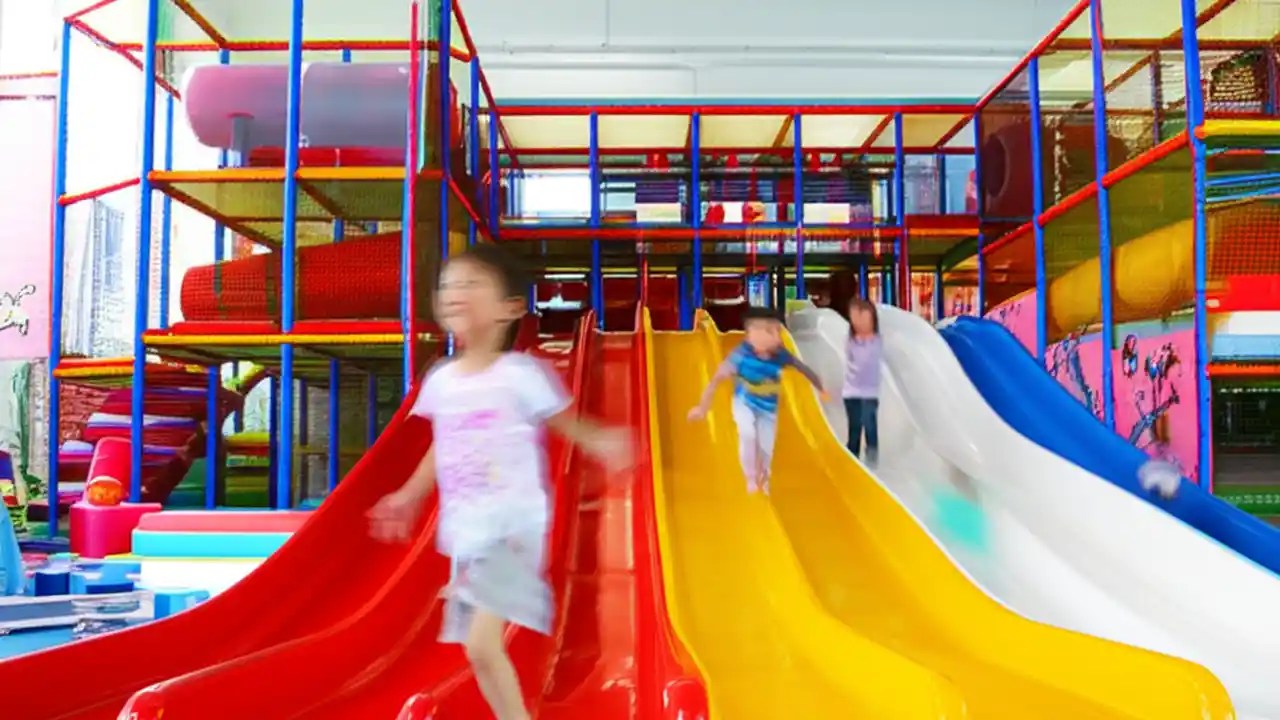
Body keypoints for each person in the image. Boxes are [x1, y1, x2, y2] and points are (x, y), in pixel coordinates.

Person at [367, 243, 630, 720]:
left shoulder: (520, 374)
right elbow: (438, 448)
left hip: (511, 529)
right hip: (467, 532)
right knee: (476, 650)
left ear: (510, 308)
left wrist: (604, 443)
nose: (455, 293)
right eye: (448, 285)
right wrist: (408, 495)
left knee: (483, 644)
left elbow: (568, 424)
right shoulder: (441, 381)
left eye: (471, 284)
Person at [687, 306, 826, 495]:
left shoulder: (780, 355)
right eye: (769, 331)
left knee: (766, 449)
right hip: (744, 404)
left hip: (768, 409)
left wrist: (821, 388)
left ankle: (764, 477)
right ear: (752, 333)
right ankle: (750, 477)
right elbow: (716, 379)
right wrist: (702, 408)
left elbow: (803, 368)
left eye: (775, 331)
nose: (775, 336)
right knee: (748, 433)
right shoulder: (741, 355)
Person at [843, 298, 882, 465]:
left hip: (870, 392)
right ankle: (853, 459)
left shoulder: (878, 340)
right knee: (854, 428)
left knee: (870, 426)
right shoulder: (852, 340)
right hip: (851, 392)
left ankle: (872, 461)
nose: (861, 324)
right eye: (856, 320)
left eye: (865, 320)